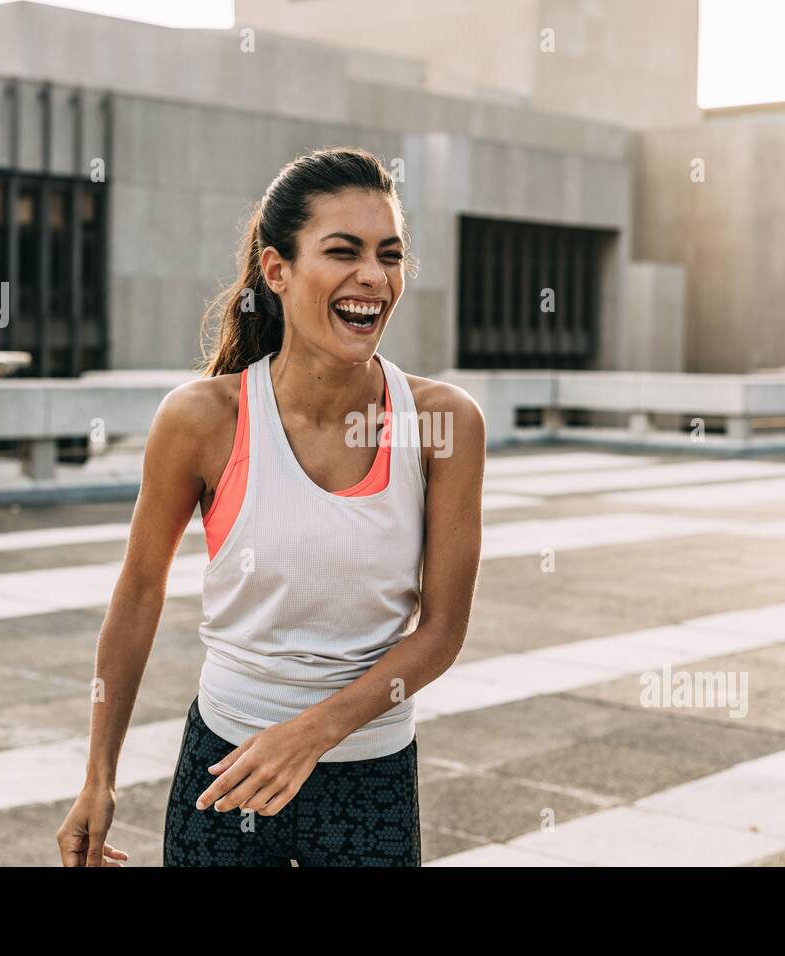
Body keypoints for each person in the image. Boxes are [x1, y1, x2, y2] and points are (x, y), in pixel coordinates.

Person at [56, 146, 484, 867]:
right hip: (225, 771)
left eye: (390, 255)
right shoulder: (200, 419)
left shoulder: (444, 424)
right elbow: (137, 593)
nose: (373, 278)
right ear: (276, 270)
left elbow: (440, 633)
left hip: (369, 783)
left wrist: (310, 734)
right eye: (343, 251)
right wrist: (98, 777)